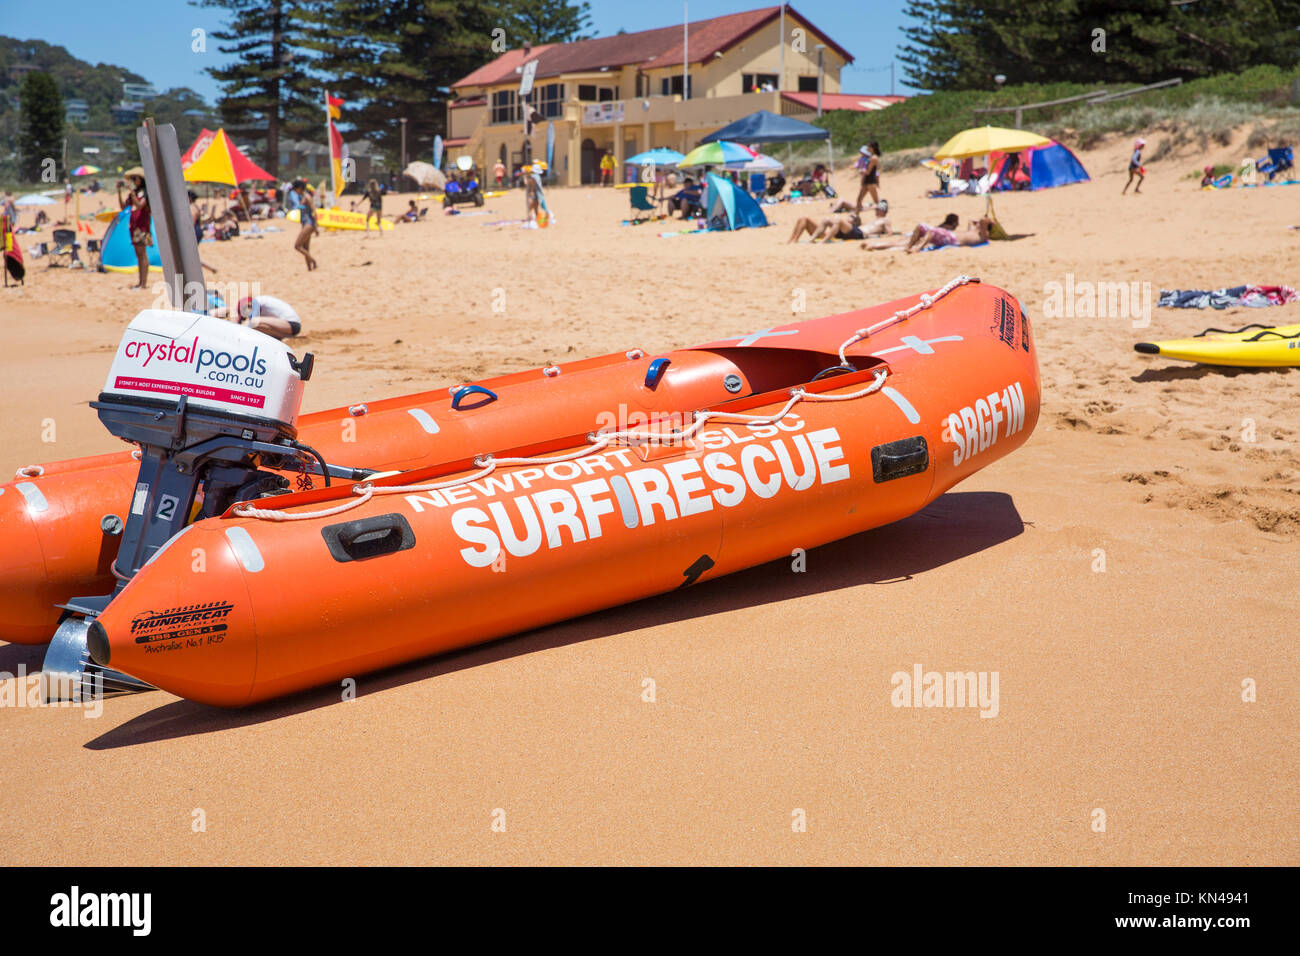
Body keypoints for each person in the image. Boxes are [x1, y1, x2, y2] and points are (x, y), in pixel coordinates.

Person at [116, 168, 152, 289]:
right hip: (134, 227)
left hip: (142, 227)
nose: (133, 181)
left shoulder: (146, 193)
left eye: (135, 179)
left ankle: (143, 283)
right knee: (138, 254)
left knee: (142, 254)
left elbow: (140, 206)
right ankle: (140, 282)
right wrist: (119, 192)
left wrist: (132, 193)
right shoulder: (135, 193)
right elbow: (123, 207)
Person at [211, 295, 302, 340]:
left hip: (291, 324)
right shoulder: (259, 305)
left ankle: (288, 337)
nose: (245, 317)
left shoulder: (257, 301)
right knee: (258, 327)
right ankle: (288, 337)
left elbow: (253, 320)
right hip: (288, 326)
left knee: (255, 322)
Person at [291, 179, 318, 270]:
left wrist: (316, 227)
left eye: (295, 189)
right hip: (304, 224)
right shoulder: (301, 197)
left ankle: (313, 261)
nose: (294, 190)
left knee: (297, 246)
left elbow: (314, 211)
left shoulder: (307, 197)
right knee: (306, 248)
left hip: (309, 224)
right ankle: (309, 268)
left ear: (300, 188)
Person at [855, 142, 881, 210]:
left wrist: (861, 171)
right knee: (859, 200)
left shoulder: (874, 158)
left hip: (871, 181)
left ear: (872, 148)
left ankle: (883, 210)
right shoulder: (871, 157)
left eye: (869, 147)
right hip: (867, 181)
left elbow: (869, 171)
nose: (867, 148)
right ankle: (857, 215)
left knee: (876, 201)